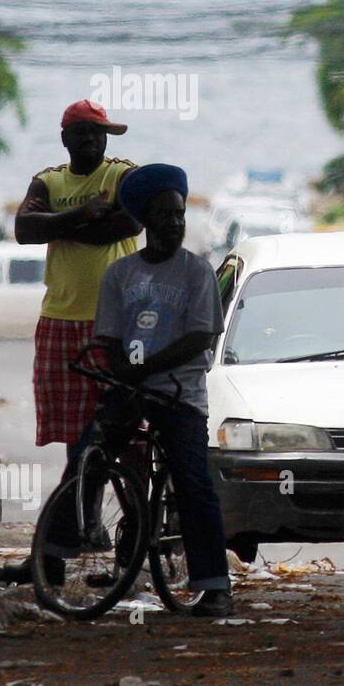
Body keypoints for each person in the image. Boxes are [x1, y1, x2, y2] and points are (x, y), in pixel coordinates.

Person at [4, 100, 140, 583]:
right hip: (60, 321)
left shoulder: (124, 176)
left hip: (114, 324)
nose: (91, 141)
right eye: (81, 133)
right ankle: (83, 526)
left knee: (108, 438)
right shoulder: (49, 180)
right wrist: (86, 214)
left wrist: (62, 226)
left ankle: (85, 538)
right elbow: (23, 230)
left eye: (98, 133)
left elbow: (125, 226)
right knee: (74, 435)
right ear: (65, 138)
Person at [91, 164, 232, 615]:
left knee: (194, 483)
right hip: (131, 387)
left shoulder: (197, 273)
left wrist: (146, 368)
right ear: (146, 221)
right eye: (164, 215)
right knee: (88, 455)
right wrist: (124, 375)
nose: (174, 223)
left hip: (179, 392)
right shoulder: (119, 275)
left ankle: (214, 585)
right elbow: (110, 337)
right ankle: (53, 553)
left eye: (179, 214)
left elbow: (199, 338)